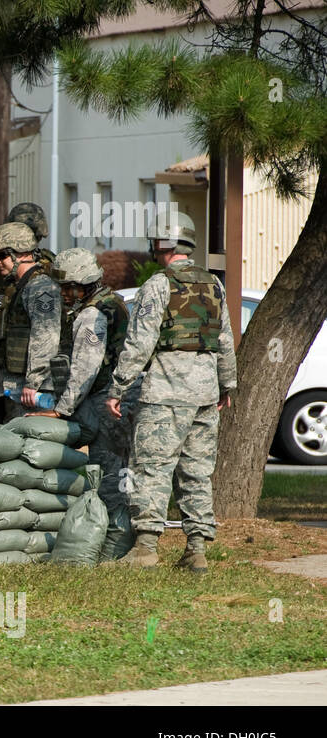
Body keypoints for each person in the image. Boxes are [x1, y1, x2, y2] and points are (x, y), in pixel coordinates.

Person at [106, 211, 236, 573]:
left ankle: (146, 549)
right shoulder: (214, 284)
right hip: (205, 394)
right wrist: (228, 385)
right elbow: (224, 339)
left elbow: (140, 342)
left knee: (151, 469)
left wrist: (118, 387)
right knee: (196, 473)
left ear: (163, 244)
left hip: (165, 393)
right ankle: (197, 550)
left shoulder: (158, 285)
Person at [31, 248, 135, 555]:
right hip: (116, 399)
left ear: (80, 285)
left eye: (65, 287)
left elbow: (85, 369)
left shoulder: (92, 314)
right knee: (114, 471)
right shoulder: (111, 302)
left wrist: (61, 410)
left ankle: (111, 546)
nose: (62, 293)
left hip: (107, 402)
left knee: (107, 473)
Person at [0, 222, 63, 424]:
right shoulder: (18, 287)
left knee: (33, 446)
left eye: (2, 255)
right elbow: (19, 329)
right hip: (16, 385)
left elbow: (46, 336)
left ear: (20, 254)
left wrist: (34, 381)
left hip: (33, 389)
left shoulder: (40, 287)